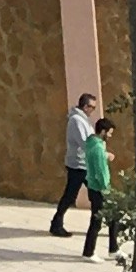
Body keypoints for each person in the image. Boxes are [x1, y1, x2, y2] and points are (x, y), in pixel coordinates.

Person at [47, 92, 97, 236]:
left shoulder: (82, 120)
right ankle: (57, 224)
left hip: (84, 164)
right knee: (74, 195)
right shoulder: (77, 120)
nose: (92, 110)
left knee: (75, 195)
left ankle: (56, 222)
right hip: (79, 164)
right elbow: (84, 142)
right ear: (85, 106)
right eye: (91, 107)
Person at [79, 114, 115, 260]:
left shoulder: (92, 144)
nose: (110, 136)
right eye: (110, 133)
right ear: (103, 132)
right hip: (100, 189)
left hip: (93, 187)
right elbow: (101, 172)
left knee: (113, 219)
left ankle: (114, 249)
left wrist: (106, 155)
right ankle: (89, 252)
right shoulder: (98, 149)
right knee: (97, 222)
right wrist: (106, 189)